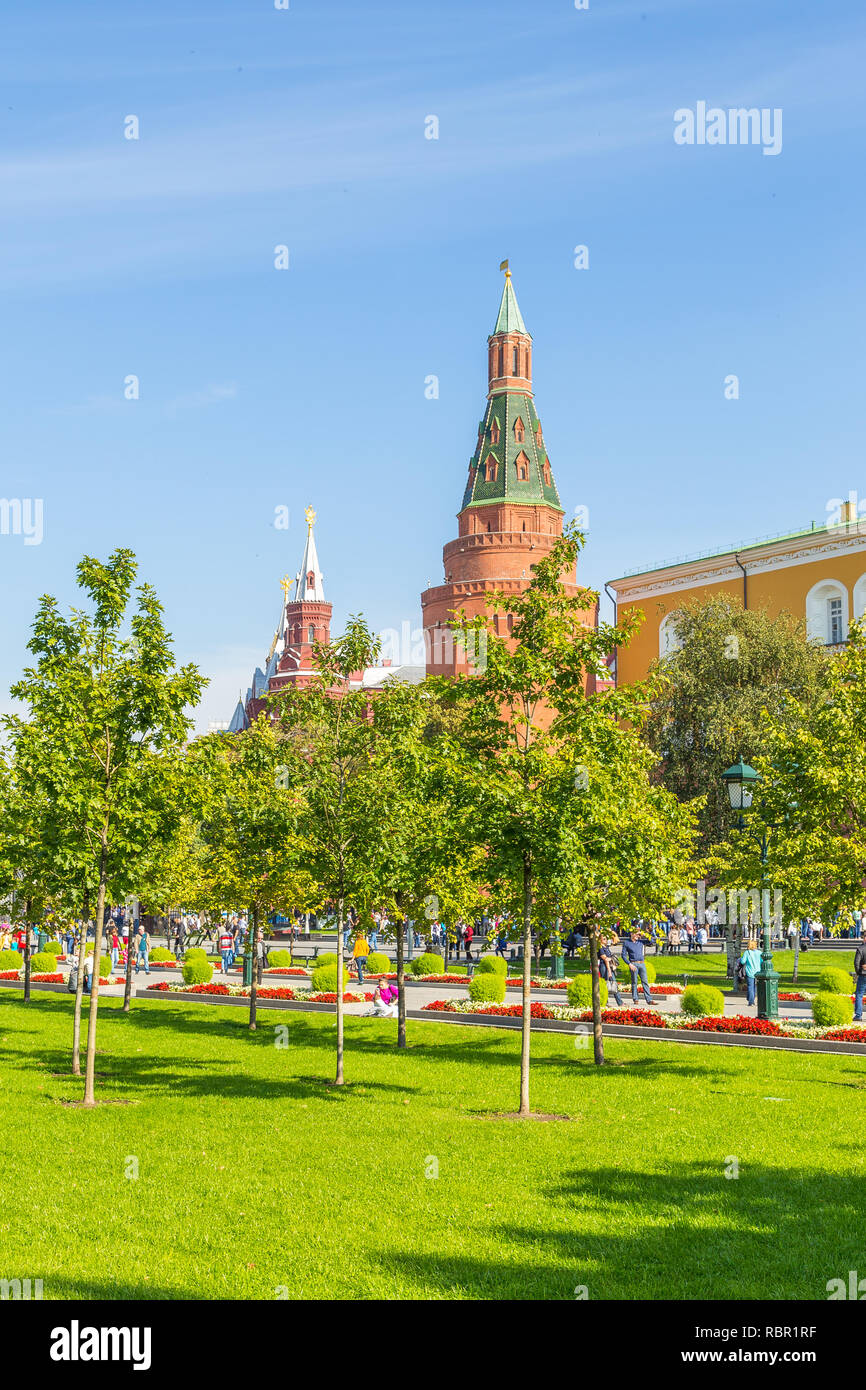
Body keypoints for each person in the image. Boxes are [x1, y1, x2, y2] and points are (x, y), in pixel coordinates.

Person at [621, 930, 655, 1007]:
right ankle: (635, 998)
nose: (637, 935)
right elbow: (623, 955)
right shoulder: (627, 943)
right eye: (636, 934)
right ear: (631, 934)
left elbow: (652, 942)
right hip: (633, 963)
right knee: (634, 982)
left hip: (642, 963)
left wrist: (645, 935)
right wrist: (629, 964)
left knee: (645, 982)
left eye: (638, 934)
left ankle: (649, 1000)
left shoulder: (641, 941)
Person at [598, 936, 624, 1008]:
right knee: (608, 984)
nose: (606, 940)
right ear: (600, 940)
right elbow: (605, 959)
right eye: (604, 939)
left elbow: (610, 958)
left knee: (612, 984)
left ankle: (617, 1002)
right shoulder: (600, 948)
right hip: (604, 967)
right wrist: (609, 971)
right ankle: (617, 1002)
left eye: (606, 938)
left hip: (609, 967)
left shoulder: (606, 947)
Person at [739, 939, 762, 1006]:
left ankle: (751, 1001)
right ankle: (751, 999)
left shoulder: (747, 952)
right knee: (755, 987)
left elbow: (742, 962)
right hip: (758, 971)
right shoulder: (759, 953)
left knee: (750, 986)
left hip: (749, 972)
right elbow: (762, 961)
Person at [854, 934, 866, 1023]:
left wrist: (859, 972)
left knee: (859, 994)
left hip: (863, 975)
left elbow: (856, 963)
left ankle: (858, 1015)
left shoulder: (860, 949)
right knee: (859, 994)